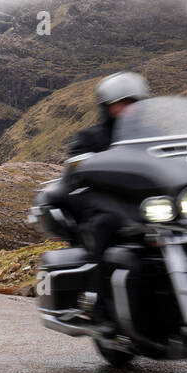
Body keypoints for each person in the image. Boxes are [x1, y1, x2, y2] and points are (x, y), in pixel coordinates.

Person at [64, 72, 150, 320]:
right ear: (107, 107)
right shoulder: (90, 138)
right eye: (119, 104)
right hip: (106, 207)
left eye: (132, 103)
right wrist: (82, 166)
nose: (125, 109)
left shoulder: (153, 134)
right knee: (105, 226)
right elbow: (76, 171)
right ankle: (95, 302)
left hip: (149, 205)